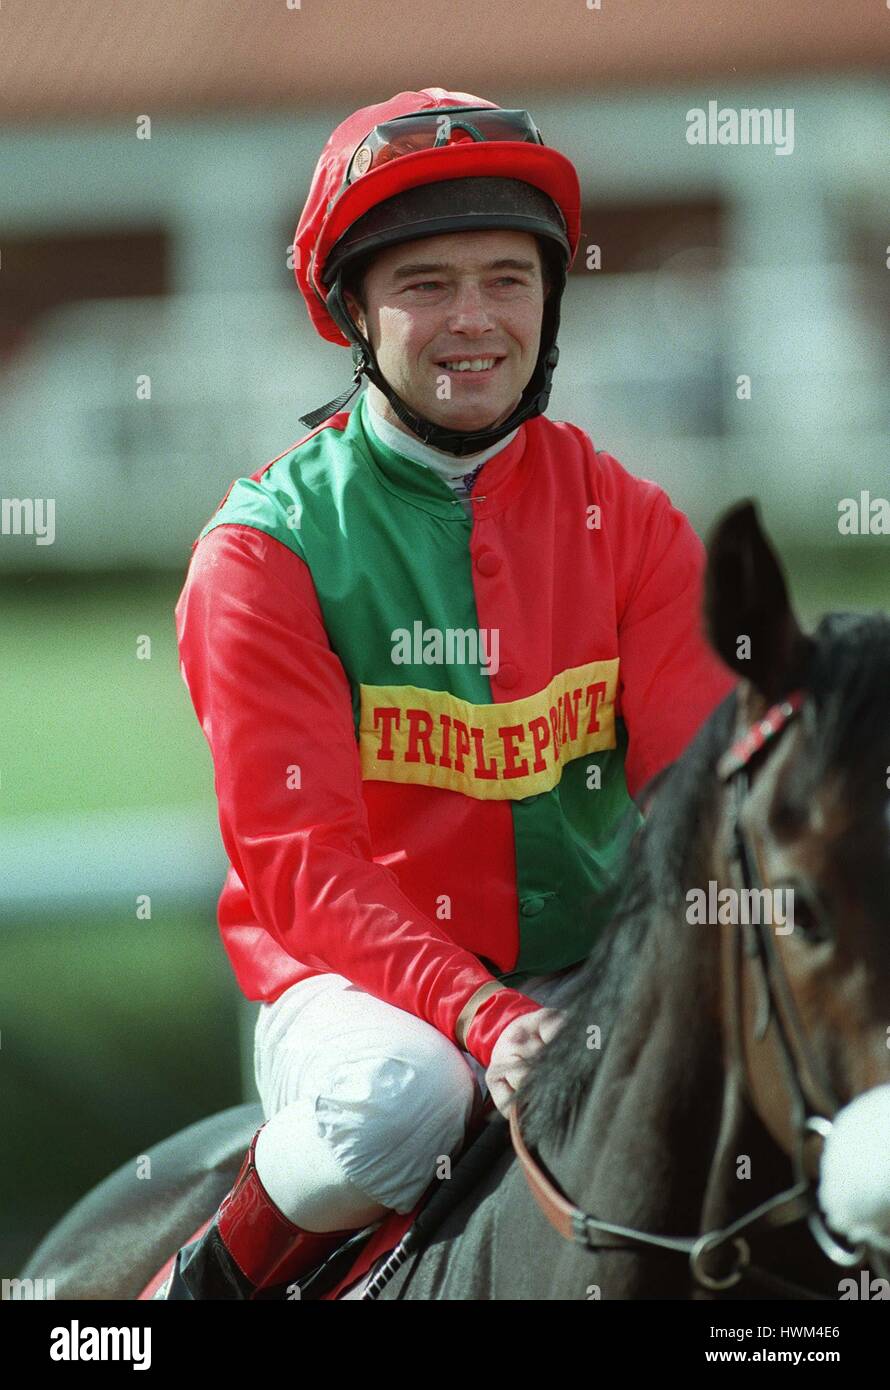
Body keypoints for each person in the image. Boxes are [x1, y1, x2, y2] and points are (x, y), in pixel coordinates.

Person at [159, 87, 737, 1299]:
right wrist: (480, 1019)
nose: (473, 319)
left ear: (548, 301)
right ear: (352, 313)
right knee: (400, 1098)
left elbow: (700, 798)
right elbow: (302, 867)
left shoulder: (627, 520)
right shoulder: (263, 550)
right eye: (425, 283)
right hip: (358, 988)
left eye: (506, 279)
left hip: (589, 961)